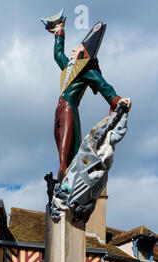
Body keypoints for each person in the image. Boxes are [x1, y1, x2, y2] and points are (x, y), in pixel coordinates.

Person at [48, 19, 131, 181]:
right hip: (59, 111)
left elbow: (103, 85)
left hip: (68, 109)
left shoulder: (86, 69)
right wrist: (59, 31)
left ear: (83, 52)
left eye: (77, 47)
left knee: (65, 156)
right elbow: (58, 54)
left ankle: (64, 178)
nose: (73, 49)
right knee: (62, 151)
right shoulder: (70, 67)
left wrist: (117, 100)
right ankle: (65, 178)